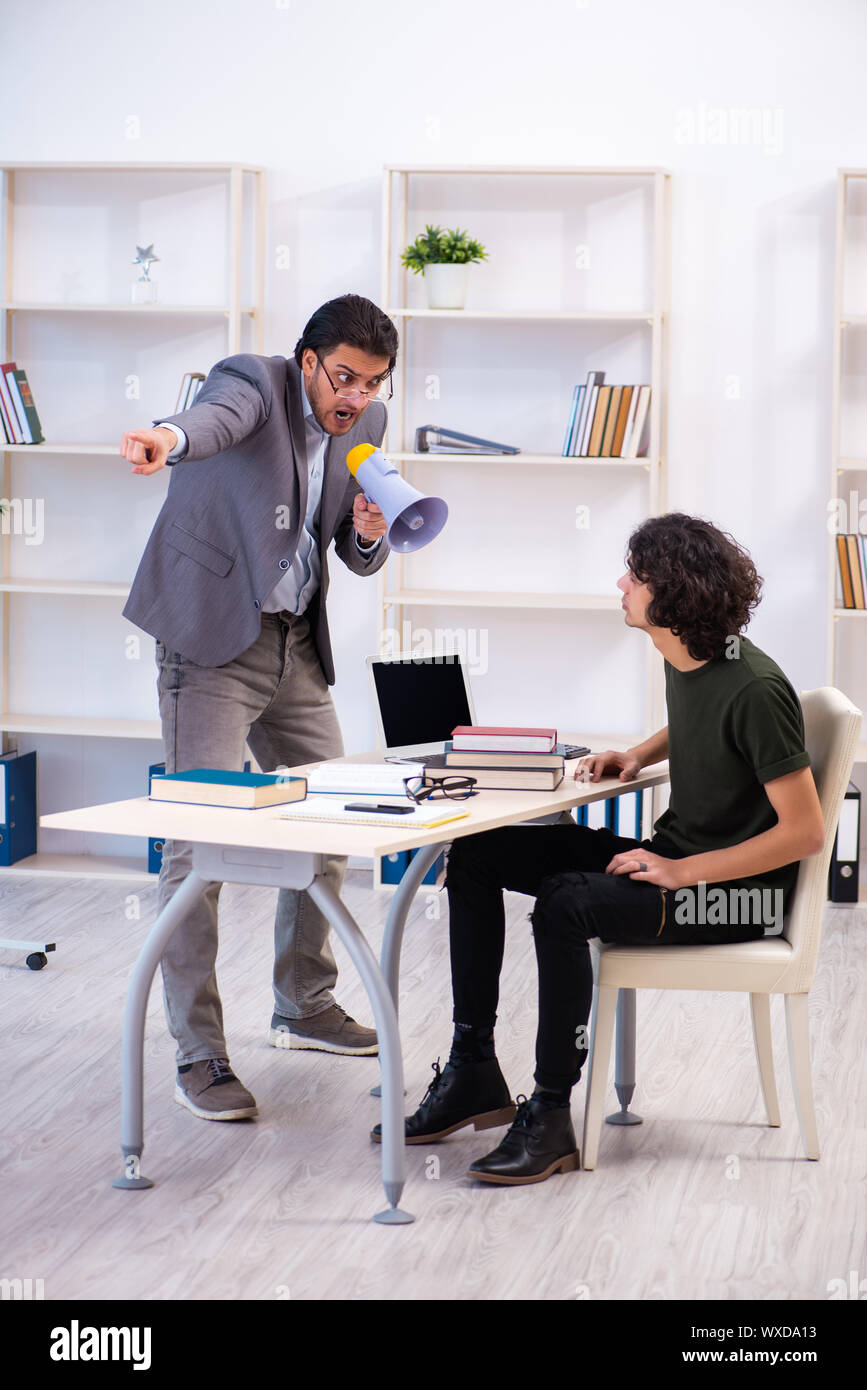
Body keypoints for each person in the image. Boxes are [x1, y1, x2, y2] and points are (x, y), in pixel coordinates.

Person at [375, 513, 826, 1184]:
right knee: (476, 851)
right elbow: (701, 717)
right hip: (681, 866)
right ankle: (473, 1070)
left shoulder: (755, 687)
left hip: (733, 900)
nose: (621, 585)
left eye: (635, 576)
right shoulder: (696, 657)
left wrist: (679, 871)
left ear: (673, 594)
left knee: (566, 902)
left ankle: (550, 1116)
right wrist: (638, 753)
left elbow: (805, 832)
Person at [121, 293, 397, 1122]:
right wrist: (166, 440)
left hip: (294, 645)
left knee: (332, 818)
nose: (355, 395)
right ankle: (198, 1052)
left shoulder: (367, 423)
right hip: (213, 641)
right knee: (196, 844)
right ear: (307, 361)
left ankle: (302, 1003)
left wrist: (370, 530)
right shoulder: (253, 381)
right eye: (342, 377)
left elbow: (351, 554)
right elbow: (209, 422)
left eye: (372, 381)